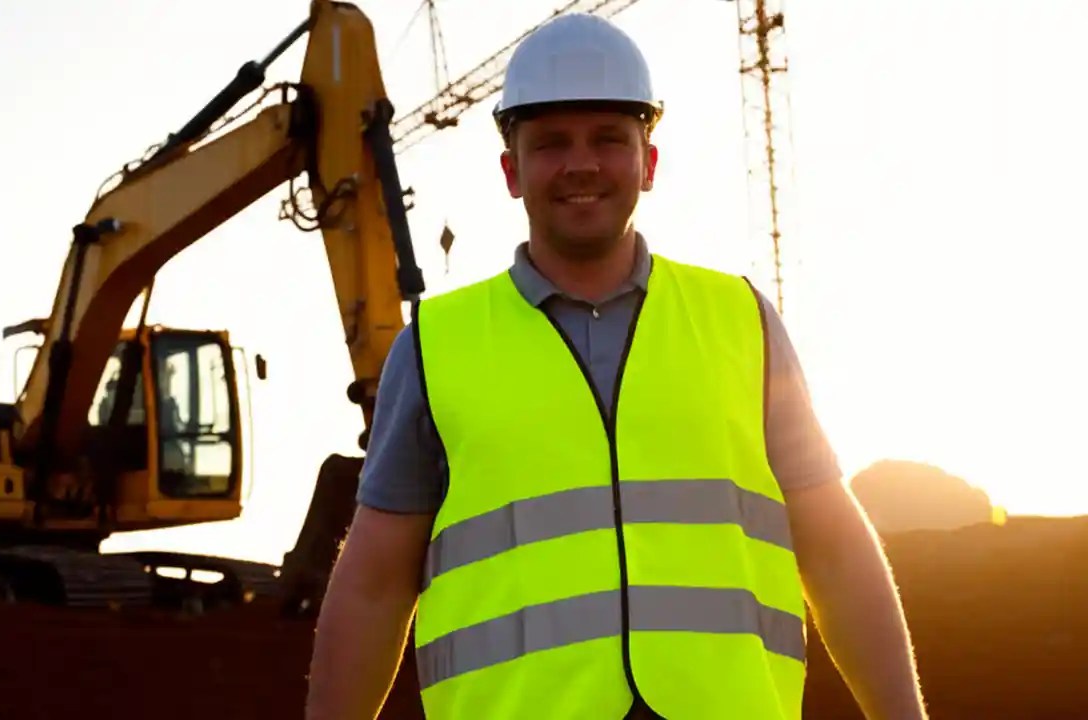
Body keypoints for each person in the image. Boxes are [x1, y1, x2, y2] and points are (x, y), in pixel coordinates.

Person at [306, 12, 926, 720]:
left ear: (649, 163)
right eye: (551, 144)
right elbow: (374, 587)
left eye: (609, 138)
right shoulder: (436, 347)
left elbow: (838, 553)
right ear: (511, 172)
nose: (581, 164)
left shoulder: (740, 321)